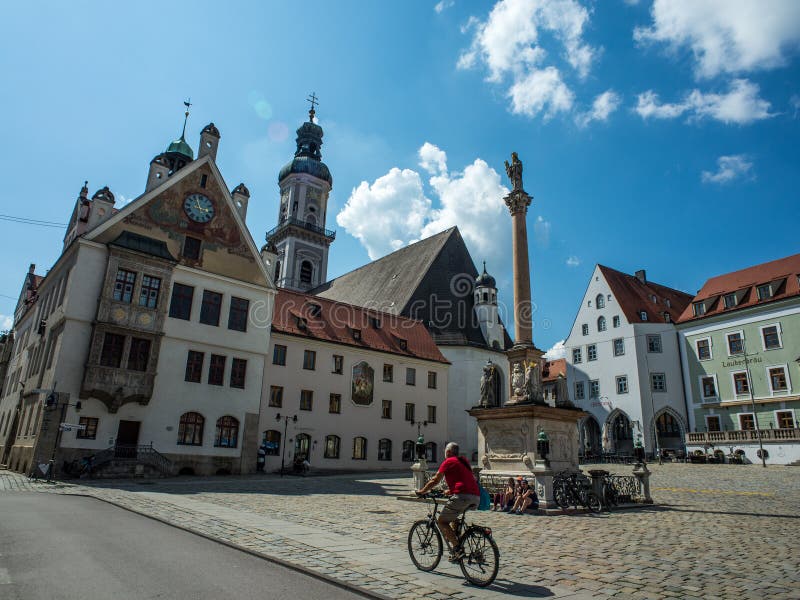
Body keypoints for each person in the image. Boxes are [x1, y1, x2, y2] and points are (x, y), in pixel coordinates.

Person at [415, 442, 480, 561]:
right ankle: (457, 547)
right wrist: (450, 491)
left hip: (462, 497)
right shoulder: (463, 461)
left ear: (448, 452)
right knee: (454, 518)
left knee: (442, 522)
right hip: (475, 497)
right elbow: (464, 480)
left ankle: (457, 549)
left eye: (445, 451)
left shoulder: (449, 461)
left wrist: (422, 491)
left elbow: (435, 480)